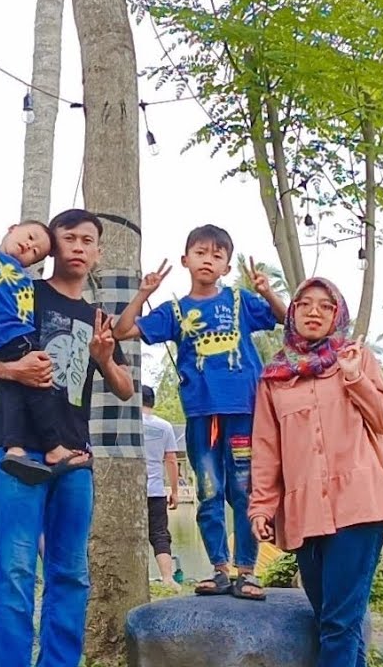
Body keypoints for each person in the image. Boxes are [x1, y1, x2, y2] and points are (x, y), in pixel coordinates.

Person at [0, 208, 134, 667]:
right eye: (69, 239)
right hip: (18, 445)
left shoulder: (98, 317)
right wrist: (13, 369)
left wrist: (105, 359)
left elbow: (125, 390)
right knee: (16, 569)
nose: (78, 248)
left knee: (72, 573)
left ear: (97, 252)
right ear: (52, 246)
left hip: (75, 455)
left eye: (88, 241)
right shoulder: (24, 290)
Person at [114, 224, 286, 601]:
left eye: (217, 255)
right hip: (200, 415)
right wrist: (144, 292)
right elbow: (121, 331)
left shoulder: (240, 302)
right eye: (201, 253)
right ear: (185, 260)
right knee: (209, 492)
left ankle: (247, 571)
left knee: (243, 491)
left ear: (226, 266)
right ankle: (219, 570)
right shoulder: (175, 311)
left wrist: (269, 292)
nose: (208, 260)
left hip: (244, 411)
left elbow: (288, 321)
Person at [248, 277, 383, 667]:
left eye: (325, 306)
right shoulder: (274, 378)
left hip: (360, 506)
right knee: (335, 622)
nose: (314, 312)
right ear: (292, 312)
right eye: (305, 304)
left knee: (337, 623)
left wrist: (354, 377)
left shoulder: (356, 358)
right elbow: (266, 449)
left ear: (337, 315)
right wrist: (261, 507)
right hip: (304, 512)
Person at [0, 168, 71, 484]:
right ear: (13, 229)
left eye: (37, 251)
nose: (30, 246)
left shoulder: (28, 278)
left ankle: (16, 448)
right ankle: (52, 448)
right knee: (40, 390)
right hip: (8, 338)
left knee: (18, 391)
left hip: (23, 337)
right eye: (30, 237)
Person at [141, 384, 180, 585]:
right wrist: (174, 491)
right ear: (152, 402)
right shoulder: (165, 426)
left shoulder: (129, 423)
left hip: (132, 491)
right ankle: (167, 578)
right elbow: (171, 460)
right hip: (155, 490)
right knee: (159, 534)